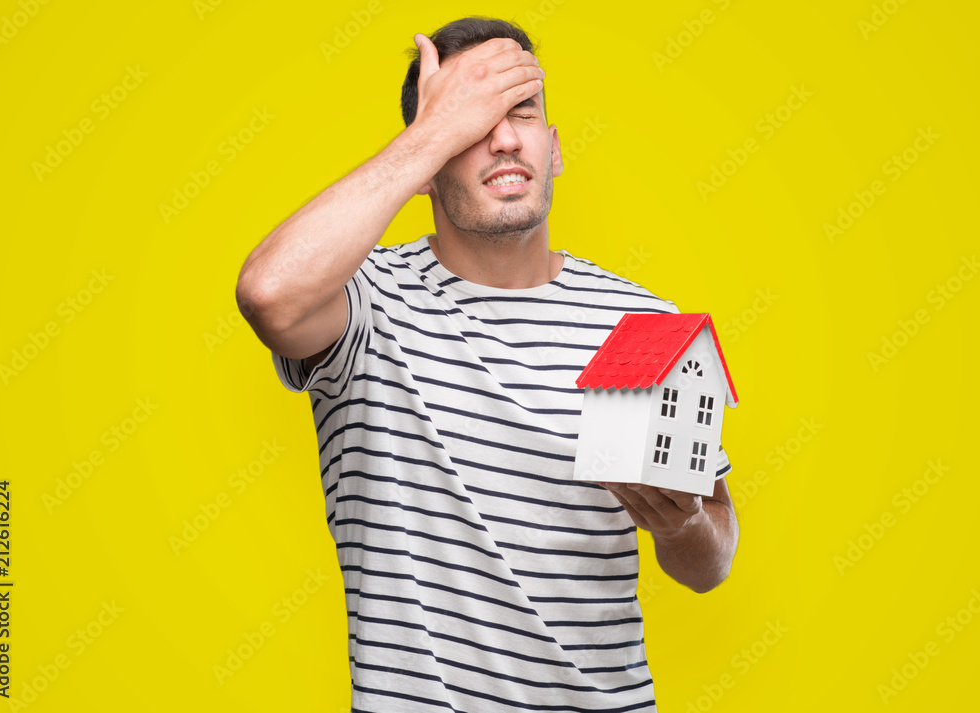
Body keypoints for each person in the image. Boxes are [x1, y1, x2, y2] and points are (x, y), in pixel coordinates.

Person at [235, 16, 739, 712]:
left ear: (554, 149)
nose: (503, 137)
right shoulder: (366, 302)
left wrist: (680, 524)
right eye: (473, 121)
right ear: (427, 160)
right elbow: (268, 294)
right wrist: (429, 135)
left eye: (522, 112)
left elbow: (712, 558)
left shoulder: (642, 323)